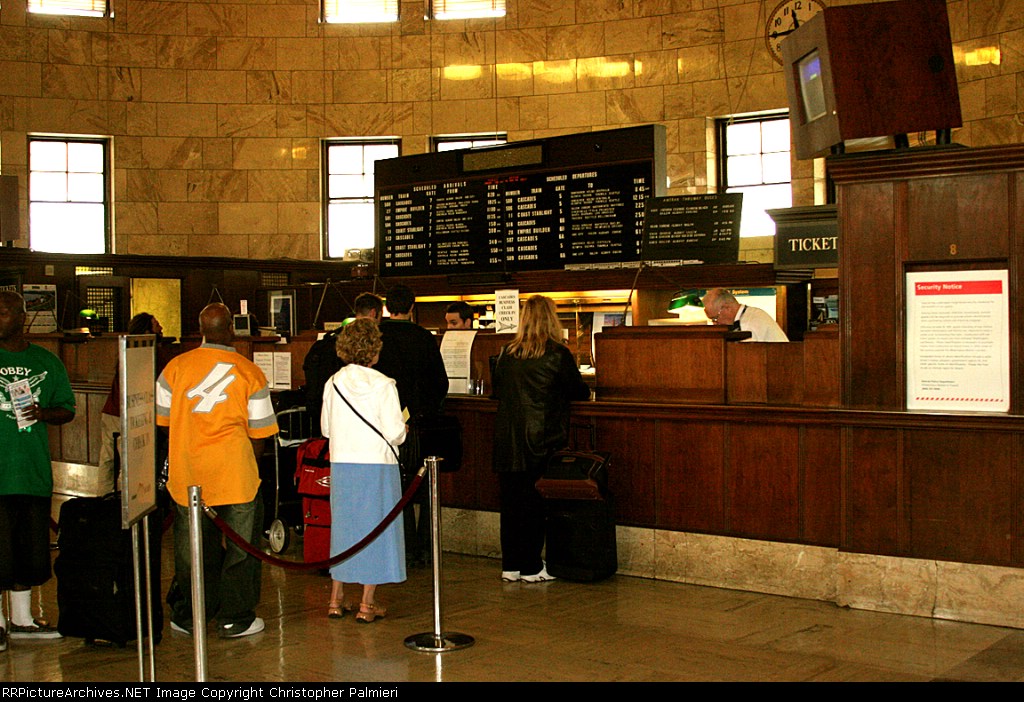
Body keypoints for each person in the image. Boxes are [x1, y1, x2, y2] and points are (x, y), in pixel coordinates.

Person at [156, 303, 278, 639]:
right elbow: (261, 433)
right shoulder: (249, 371)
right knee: (241, 549)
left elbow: (164, 423)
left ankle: (190, 616)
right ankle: (235, 619)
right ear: (232, 330)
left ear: (200, 329)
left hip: (188, 475)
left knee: (191, 550)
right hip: (235, 474)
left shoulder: (174, 368)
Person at [491, 295, 590, 583]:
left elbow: (498, 393)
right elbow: (578, 392)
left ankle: (510, 566)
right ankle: (532, 567)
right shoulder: (557, 354)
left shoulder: (507, 353)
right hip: (541, 439)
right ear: (551, 318)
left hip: (507, 440)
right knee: (534, 505)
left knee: (510, 505)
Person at [0, 291, 76, 650]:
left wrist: (42, 413)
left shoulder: (45, 361)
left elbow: (67, 408)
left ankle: (22, 619)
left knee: (28, 552)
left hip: (30, 473)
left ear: (21, 316)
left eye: (2, 313)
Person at [321, 318, 407, 623]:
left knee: (344, 530)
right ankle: (367, 605)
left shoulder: (333, 383)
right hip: (377, 465)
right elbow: (395, 433)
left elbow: (326, 428)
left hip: (343, 462)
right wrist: (404, 428)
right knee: (376, 532)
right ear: (375, 350)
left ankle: (336, 598)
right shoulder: (385, 385)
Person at [374, 285, 447, 567]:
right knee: (427, 486)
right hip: (418, 422)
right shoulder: (424, 337)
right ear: (412, 307)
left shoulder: (379, 336)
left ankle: (403, 548)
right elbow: (440, 382)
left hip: (385, 425)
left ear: (386, 307)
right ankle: (427, 549)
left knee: (396, 487)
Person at [98, 312, 172, 491]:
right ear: (147, 330)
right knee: (129, 463)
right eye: (156, 325)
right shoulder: (152, 353)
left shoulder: (127, 350)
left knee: (107, 460)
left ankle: (102, 502)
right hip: (133, 415)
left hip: (111, 411)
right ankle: (124, 504)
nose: (161, 328)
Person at [303, 292, 384, 431]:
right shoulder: (370, 342)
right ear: (373, 313)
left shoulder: (333, 338)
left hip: (327, 416)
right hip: (363, 421)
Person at [701, 288, 789, 342]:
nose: (714, 324)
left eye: (715, 318)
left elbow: (746, 358)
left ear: (727, 308)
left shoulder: (749, 323)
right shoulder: (751, 314)